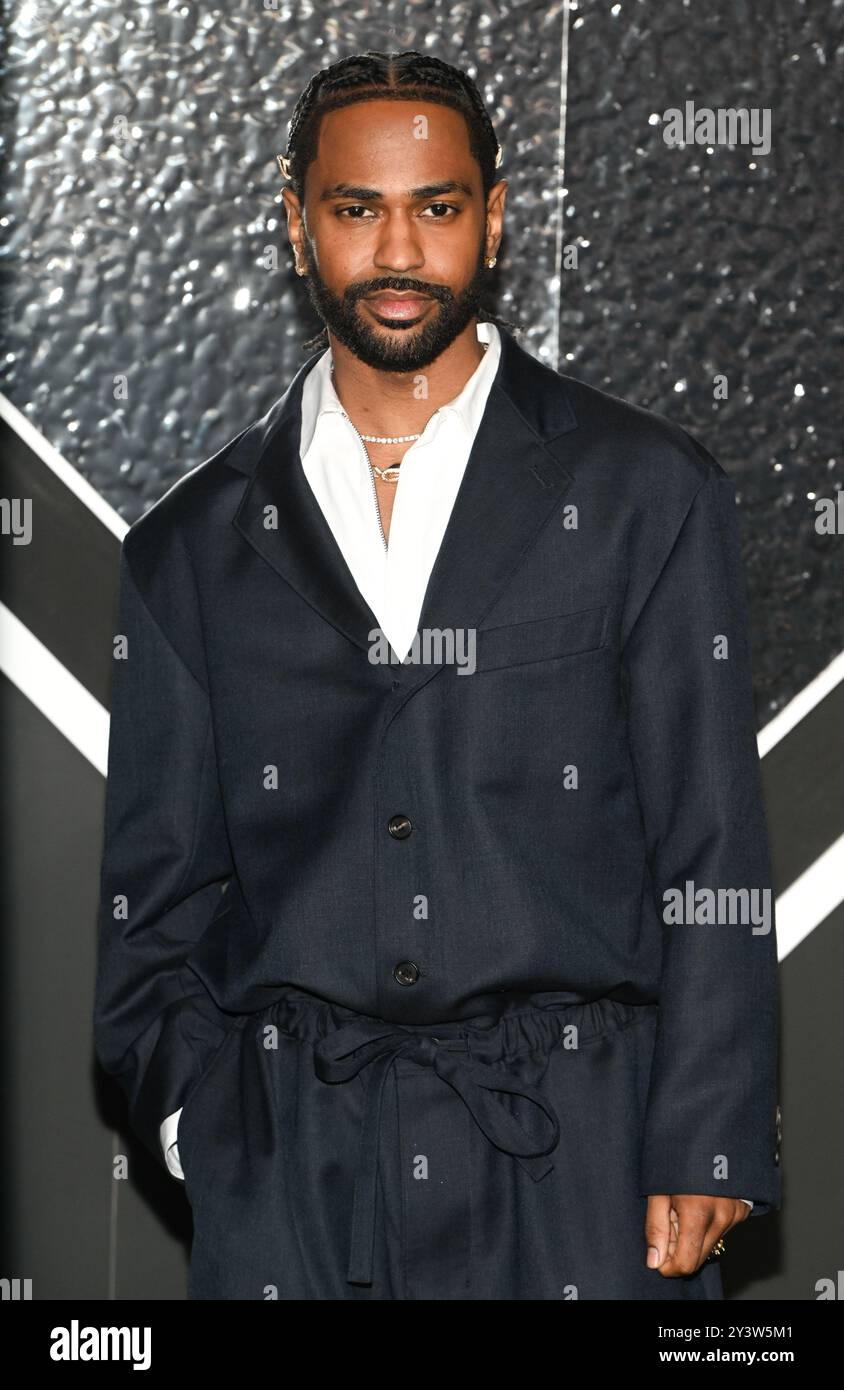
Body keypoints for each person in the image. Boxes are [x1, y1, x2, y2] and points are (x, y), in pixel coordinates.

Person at [93, 50, 781, 1301]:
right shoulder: (190, 547)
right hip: (301, 1172)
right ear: (296, 225)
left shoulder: (639, 493)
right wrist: (212, 1132)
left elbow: (712, 845)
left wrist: (708, 1128)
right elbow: (156, 903)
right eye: (357, 209)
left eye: (438, 207)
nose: (398, 250)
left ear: (495, 217)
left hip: (583, 1162)